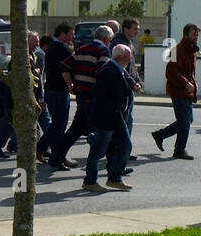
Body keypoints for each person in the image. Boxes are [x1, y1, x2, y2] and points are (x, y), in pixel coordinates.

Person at [48, 25, 111, 170]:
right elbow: (103, 74)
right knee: (100, 128)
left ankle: (56, 157)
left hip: (82, 93)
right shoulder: (103, 50)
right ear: (106, 39)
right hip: (93, 95)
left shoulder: (82, 48)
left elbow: (64, 66)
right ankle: (110, 164)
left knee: (78, 128)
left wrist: (71, 84)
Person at [83, 43, 135, 192]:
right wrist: (117, 118)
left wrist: (134, 84)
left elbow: (127, 77)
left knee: (122, 146)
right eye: (127, 56)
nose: (130, 59)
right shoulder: (108, 71)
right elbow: (104, 100)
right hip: (107, 120)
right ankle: (90, 181)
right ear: (119, 57)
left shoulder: (118, 69)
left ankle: (115, 178)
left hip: (116, 118)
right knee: (98, 152)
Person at [152, 22, 200, 159]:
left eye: (197, 34)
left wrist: (193, 84)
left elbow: (189, 72)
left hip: (186, 91)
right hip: (178, 91)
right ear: (186, 35)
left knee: (187, 120)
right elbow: (171, 73)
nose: (196, 36)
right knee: (184, 122)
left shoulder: (191, 49)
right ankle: (179, 150)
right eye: (193, 34)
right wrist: (186, 84)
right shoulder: (176, 50)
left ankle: (160, 135)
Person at [38, 23, 75, 162]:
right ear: (62, 34)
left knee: (57, 125)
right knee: (59, 125)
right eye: (71, 33)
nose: (73, 36)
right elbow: (68, 68)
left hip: (54, 90)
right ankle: (56, 155)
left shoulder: (54, 47)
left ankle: (50, 151)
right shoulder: (60, 48)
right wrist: (71, 84)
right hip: (58, 91)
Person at [110, 18, 143, 159]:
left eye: (138, 29)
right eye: (135, 28)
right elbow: (121, 69)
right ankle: (120, 151)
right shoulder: (118, 44)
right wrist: (132, 83)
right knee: (124, 122)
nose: (137, 31)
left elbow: (132, 67)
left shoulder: (129, 43)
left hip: (129, 87)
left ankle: (124, 150)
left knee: (127, 121)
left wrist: (138, 81)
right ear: (126, 28)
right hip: (122, 89)